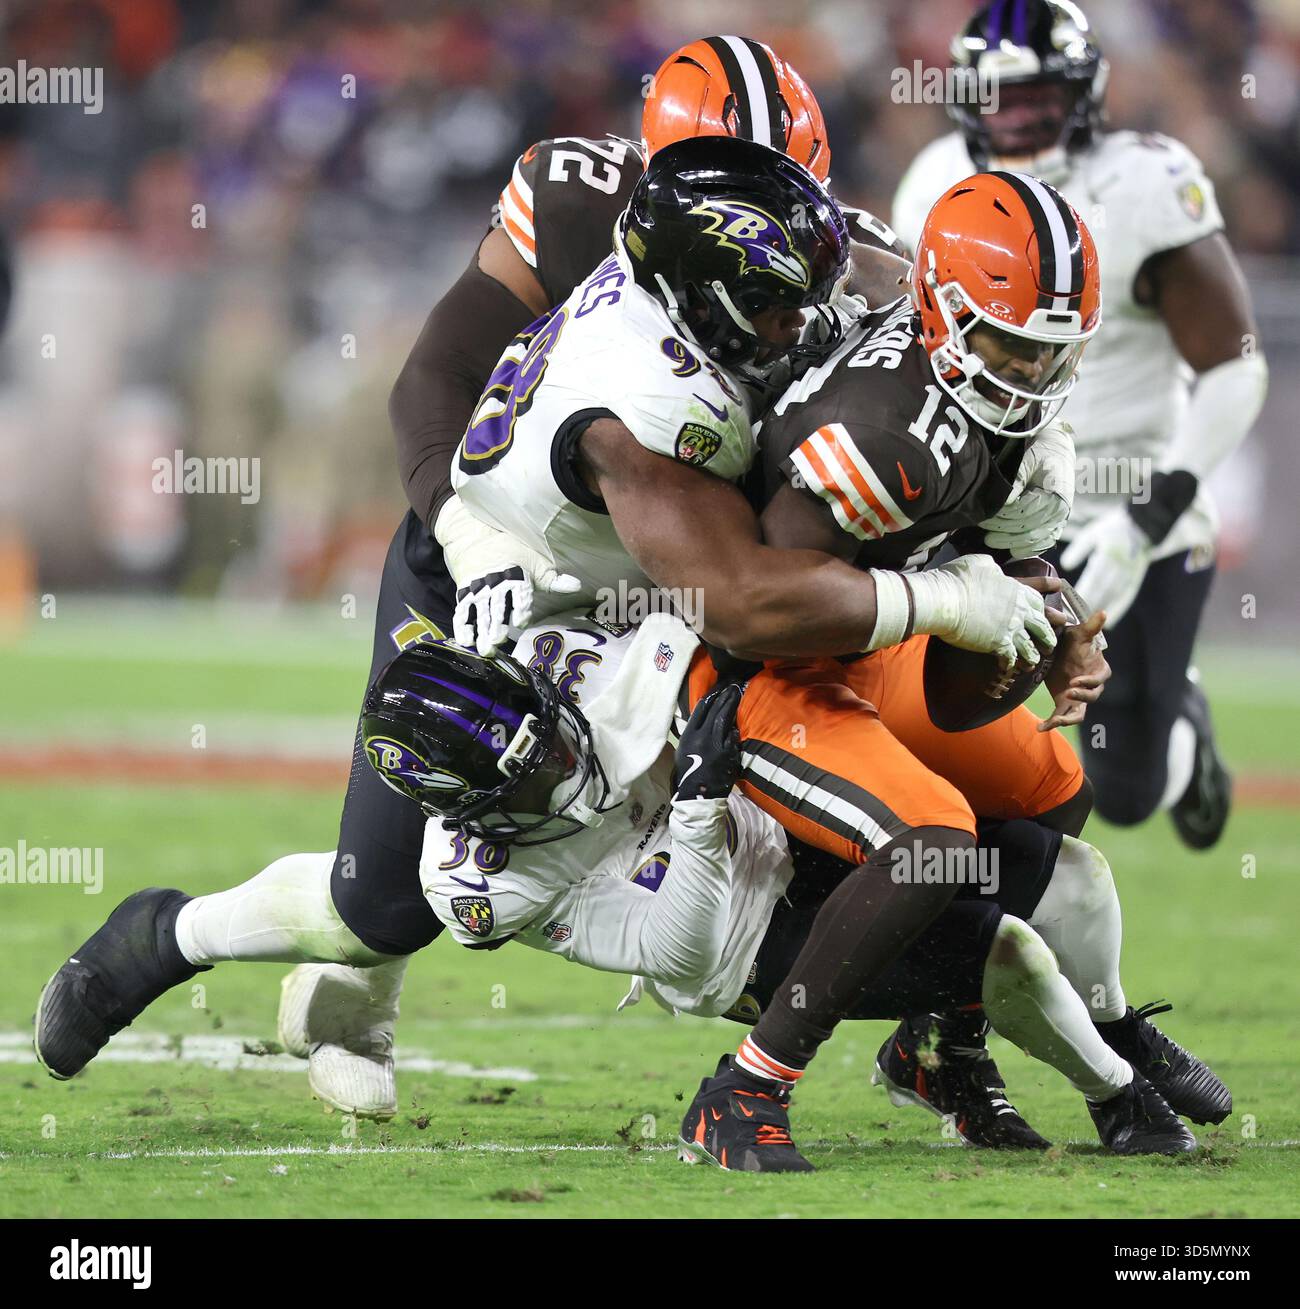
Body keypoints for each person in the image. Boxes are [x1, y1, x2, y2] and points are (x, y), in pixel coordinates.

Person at [890, 0, 1269, 848]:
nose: (1020, 121)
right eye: (1001, 102)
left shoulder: (1145, 184)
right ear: (964, 101)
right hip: (996, 499)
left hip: (1132, 505)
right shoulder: (936, 182)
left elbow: (1235, 363)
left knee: (1128, 787)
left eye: (1040, 101)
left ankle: (1187, 729)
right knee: (945, 718)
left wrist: (1148, 518)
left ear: (1086, 94)